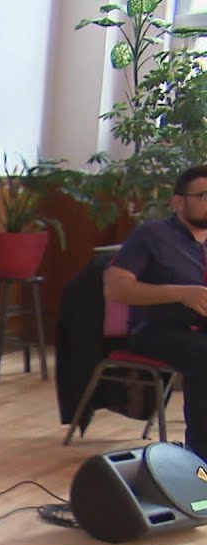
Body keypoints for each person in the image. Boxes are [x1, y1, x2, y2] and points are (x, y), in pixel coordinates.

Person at [104, 164, 207, 461]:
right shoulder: (151, 235)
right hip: (155, 330)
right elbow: (115, 288)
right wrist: (182, 294)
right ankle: (200, 460)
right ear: (178, 202)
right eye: (203, 196)